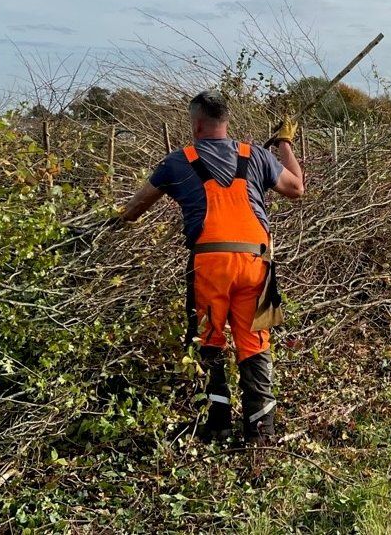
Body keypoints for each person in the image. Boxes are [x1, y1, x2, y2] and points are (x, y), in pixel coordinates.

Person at [115, 91, 305, 445]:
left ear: (196, 123)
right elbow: (297, 187)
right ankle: (261, 434)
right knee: (254, 343)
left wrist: (115, 221)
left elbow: (136, 206)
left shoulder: (177, 162)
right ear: (226, 121)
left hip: (209, 267)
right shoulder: (256, 155)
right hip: (256, 265)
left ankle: (218, 427)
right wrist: (284, 143)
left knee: (210, 342)